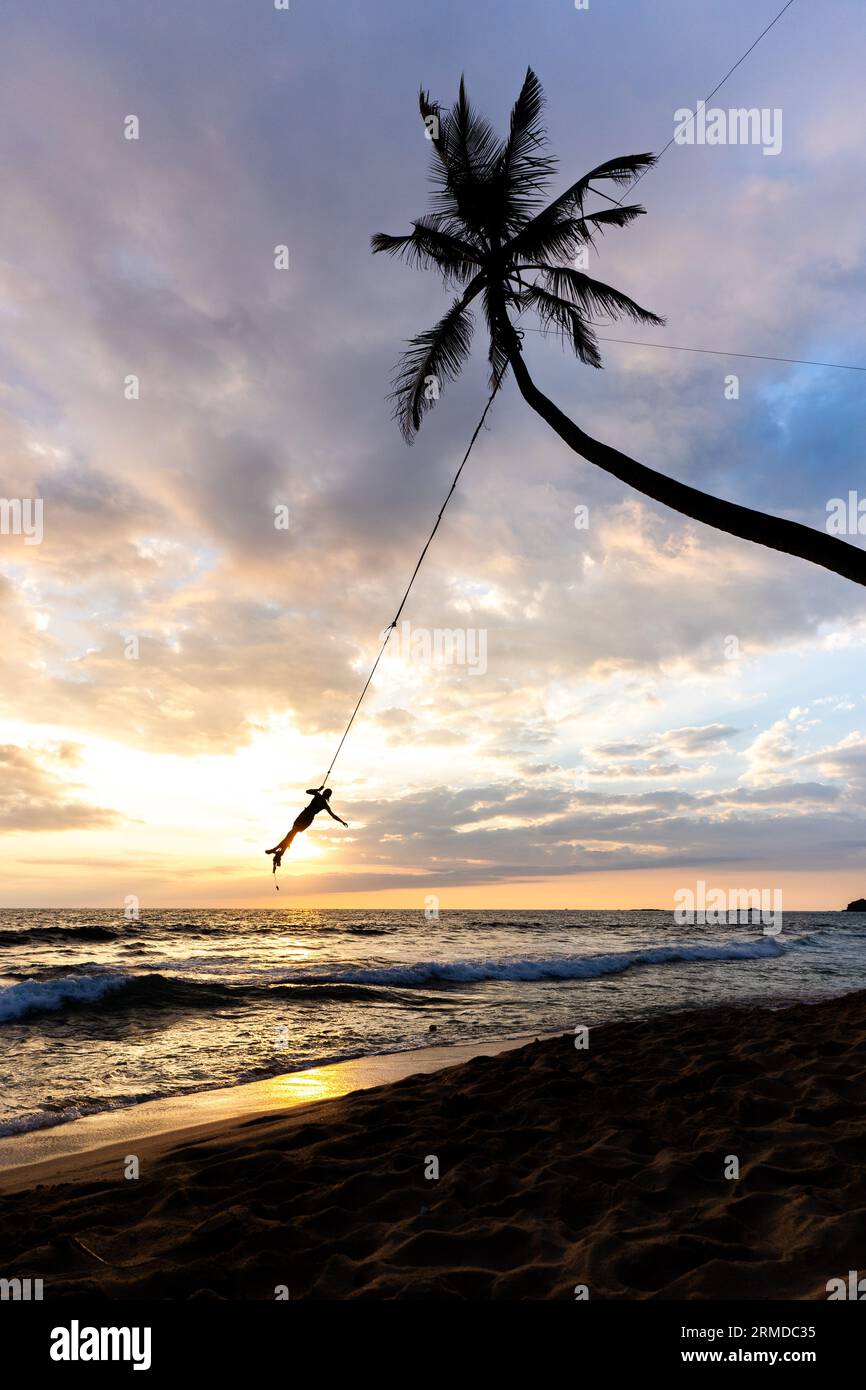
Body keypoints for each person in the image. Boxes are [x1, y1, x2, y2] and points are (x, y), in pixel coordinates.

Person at [266, 788, 348, 873]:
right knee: (291, 834)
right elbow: (307, 791)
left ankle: (276, 850)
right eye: (324, 792)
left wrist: (342, 822)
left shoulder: (325, 804)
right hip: (304, 814)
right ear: (323, 792)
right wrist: (318, 789)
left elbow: (333, 815)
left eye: (326, 794)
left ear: (328, 796)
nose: (324, 794)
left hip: (308, 818)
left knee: (292, 833)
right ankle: (280, 854)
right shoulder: (317, 795)